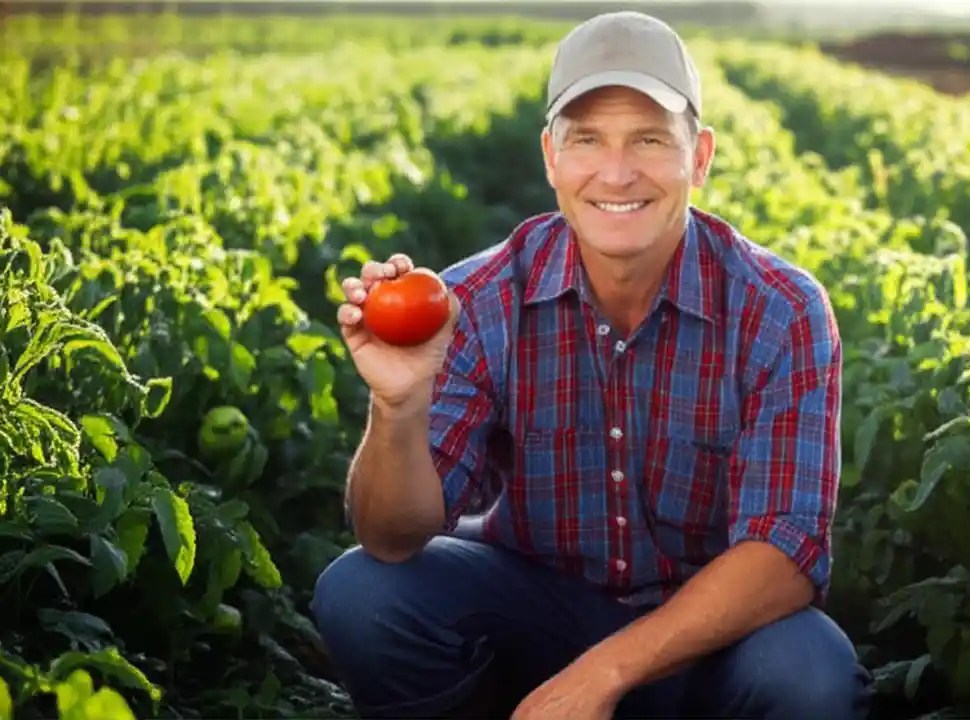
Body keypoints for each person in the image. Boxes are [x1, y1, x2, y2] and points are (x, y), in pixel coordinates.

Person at [311, 10, 872, 720]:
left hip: (711, 641)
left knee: (809, 674)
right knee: (363, 593)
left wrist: (602, 675)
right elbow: (392, 536)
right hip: (536, 616)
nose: (616, 172)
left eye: (648, 140)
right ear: (550, 157)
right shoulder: (480, 300)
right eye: (587, 140)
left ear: (699, 157)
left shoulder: (779, 309)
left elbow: (784, 553)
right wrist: (398, 404)